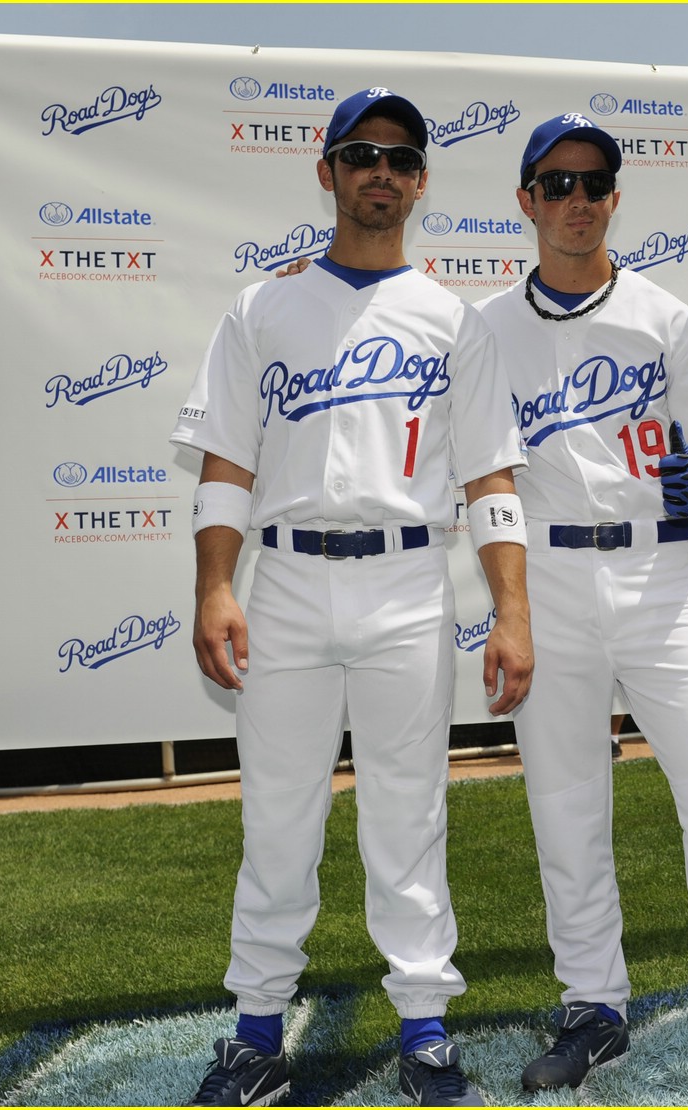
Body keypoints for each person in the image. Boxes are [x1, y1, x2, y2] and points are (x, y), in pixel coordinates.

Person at [170, 87, 534, 1107]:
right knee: (277, 820)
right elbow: (226, 465)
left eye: (400, 158)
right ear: (326, 170)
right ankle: (254, 1038)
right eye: (361, 154)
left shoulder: (452, 321)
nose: (381, 171)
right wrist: (214, 586)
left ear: (420, 183)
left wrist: (511, 611)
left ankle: (426, 1031)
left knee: (408, 818)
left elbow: (490, 481)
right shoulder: (262, 307)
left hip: (407, 583)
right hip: (285, 582)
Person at [477, 113, 688, 1106]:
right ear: (527, 199)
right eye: (557, 183)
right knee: (565, 803)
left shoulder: (668, 318)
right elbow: (486, 477)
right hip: (549, 580)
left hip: (661, 581)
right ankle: (592, 1008)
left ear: (615, 198)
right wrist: (511, 611)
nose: (576, 199)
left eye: (594, 183)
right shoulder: (483, 328)